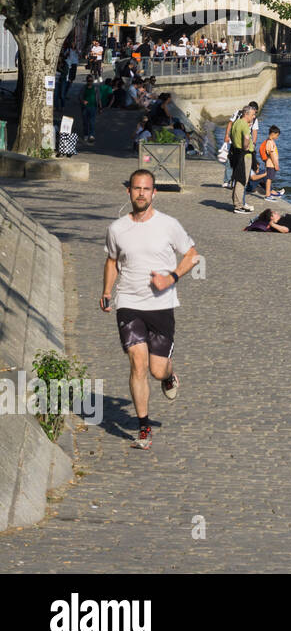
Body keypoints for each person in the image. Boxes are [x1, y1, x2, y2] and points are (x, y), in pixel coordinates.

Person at [101, 168, 199, 450]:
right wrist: (107, 291)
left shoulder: (169, 225)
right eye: (136, 188)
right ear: (128, 192)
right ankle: (144, 428)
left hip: (162, 305)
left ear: (154, 193)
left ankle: (169, 375)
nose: (141, 193)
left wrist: (171, 278)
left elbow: (192, 256)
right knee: (137, 363)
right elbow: (111, 261)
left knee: (156, 370)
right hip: (129, 304)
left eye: (146, 189)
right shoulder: (116, 229)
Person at [229, 104, 255, 213]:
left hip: (236, 153)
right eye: (253, 114)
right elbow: (246, 137)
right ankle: (238, 205)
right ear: (246, 114)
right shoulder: (244, 125)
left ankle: (238, 203)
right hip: (245, 155)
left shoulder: (236, 123)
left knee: (238, 178)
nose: (253, 117)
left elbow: (231, 136)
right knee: (242, 180)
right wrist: (245, 146)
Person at [257, 126, 284, 199]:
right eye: (277, 135)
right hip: (271, 164)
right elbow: (271, 154)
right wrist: (276, 165)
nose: (277, 137)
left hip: (271, 164)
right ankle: (268, 195)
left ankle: (269, 194)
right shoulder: (270, 142)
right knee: (269, 179)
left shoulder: (270, 141)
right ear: (273, 133)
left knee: (269, 179)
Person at [79, 77, 101, 144]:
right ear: (86, 81)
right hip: (85, 107)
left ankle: (91, 135)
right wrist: (83, 101)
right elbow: (80, 97)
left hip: (93, 107)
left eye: (91, 81)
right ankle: (86, 134)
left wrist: (100, 108)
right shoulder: (84, 88)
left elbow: (98, 98)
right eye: (88, 81)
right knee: (85, 122)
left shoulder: (95, 88)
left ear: (93, 81)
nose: (90, 82)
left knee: (92, 122)